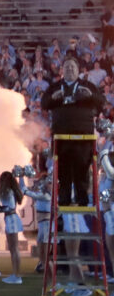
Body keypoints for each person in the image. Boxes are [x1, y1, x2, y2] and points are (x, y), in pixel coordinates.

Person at [41, 58, 106, 207]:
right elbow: (44, 103)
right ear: (62, 70)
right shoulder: (55, 87)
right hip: (61, 137)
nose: (70, 69)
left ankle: (82, 200)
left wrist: (89, 95)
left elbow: (101, 102)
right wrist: (54, 98)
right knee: (63, 172)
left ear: (78, 70)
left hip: (83, 138)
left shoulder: (88, 86)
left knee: (82, 170)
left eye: (72, 67)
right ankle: (63, 202)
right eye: (66, 67)